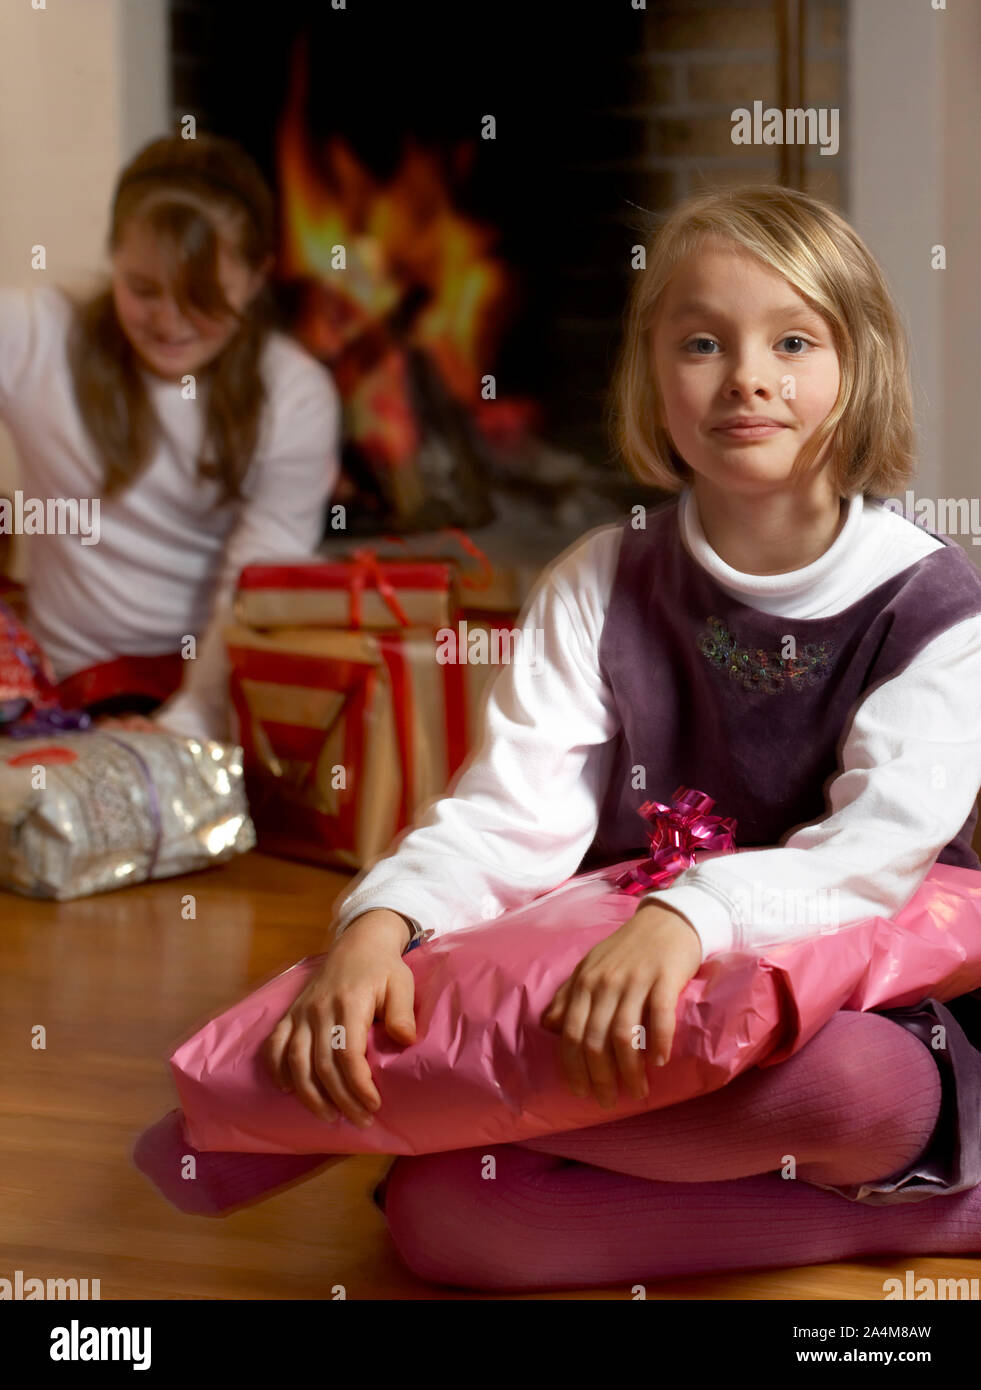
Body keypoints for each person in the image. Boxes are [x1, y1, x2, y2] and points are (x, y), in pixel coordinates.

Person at [141, 183, 981, 1289]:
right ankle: (523, 1150)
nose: (748, 377)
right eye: (700, 342)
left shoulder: (933, 603)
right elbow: (511, 812)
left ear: (859, 366)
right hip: (620, 1019)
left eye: (792, 340)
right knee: (445, 1225)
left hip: (855, 1021)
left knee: (849, 1087)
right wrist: (378, 928)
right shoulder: (600, 578)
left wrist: (696, 915)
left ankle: (912, 1200)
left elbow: (873, 856)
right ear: (650, 377)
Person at [0, 132, 340, 741]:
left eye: (203, 299)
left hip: (214, 686)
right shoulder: (38, 336)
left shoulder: (294, 395)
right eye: (144, 289)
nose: (170, 322)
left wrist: (184, 724)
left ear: (257, 278)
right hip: (63, 688)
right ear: (113, 257)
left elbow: (257, 586)